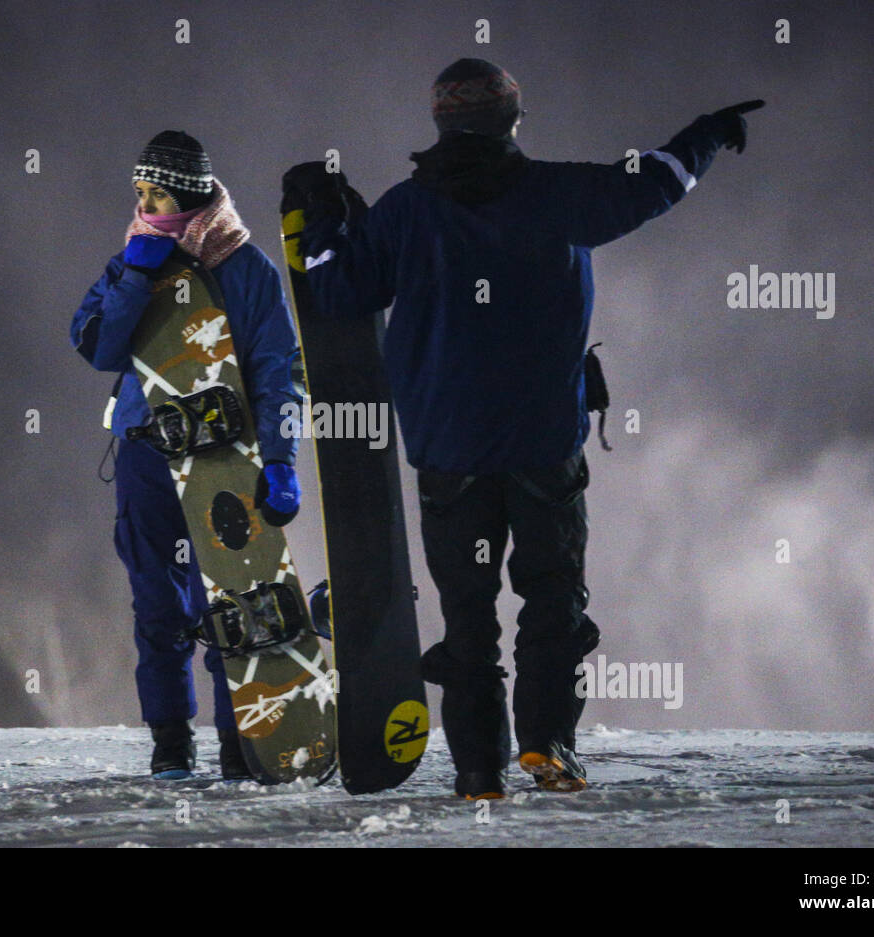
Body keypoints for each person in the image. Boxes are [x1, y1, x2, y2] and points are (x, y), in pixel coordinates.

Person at [291, 59, 762, 798]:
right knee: (551, 599)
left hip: (449, 452)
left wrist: (322, 223)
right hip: (544, 444)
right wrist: (709, 134)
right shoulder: (559, 195)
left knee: (467, 614)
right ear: (514, 120)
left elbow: (337, 286)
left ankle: (479, 768)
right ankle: (547, 745)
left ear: (441, 123)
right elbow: (654, 185)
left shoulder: (404, 213)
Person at [70, 131, 303, 780]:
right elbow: (99, 349)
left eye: (159, 192)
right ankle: (171, 742)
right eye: (140, 192)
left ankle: (239, 746)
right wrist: (135, 278)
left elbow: (278, 368)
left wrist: (280, 459)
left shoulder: (244, 268)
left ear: (192, 193)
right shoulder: (131, 263)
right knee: (159, 609)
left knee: (232, 609)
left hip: (221, 461)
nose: (147, 204)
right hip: (147, 456)